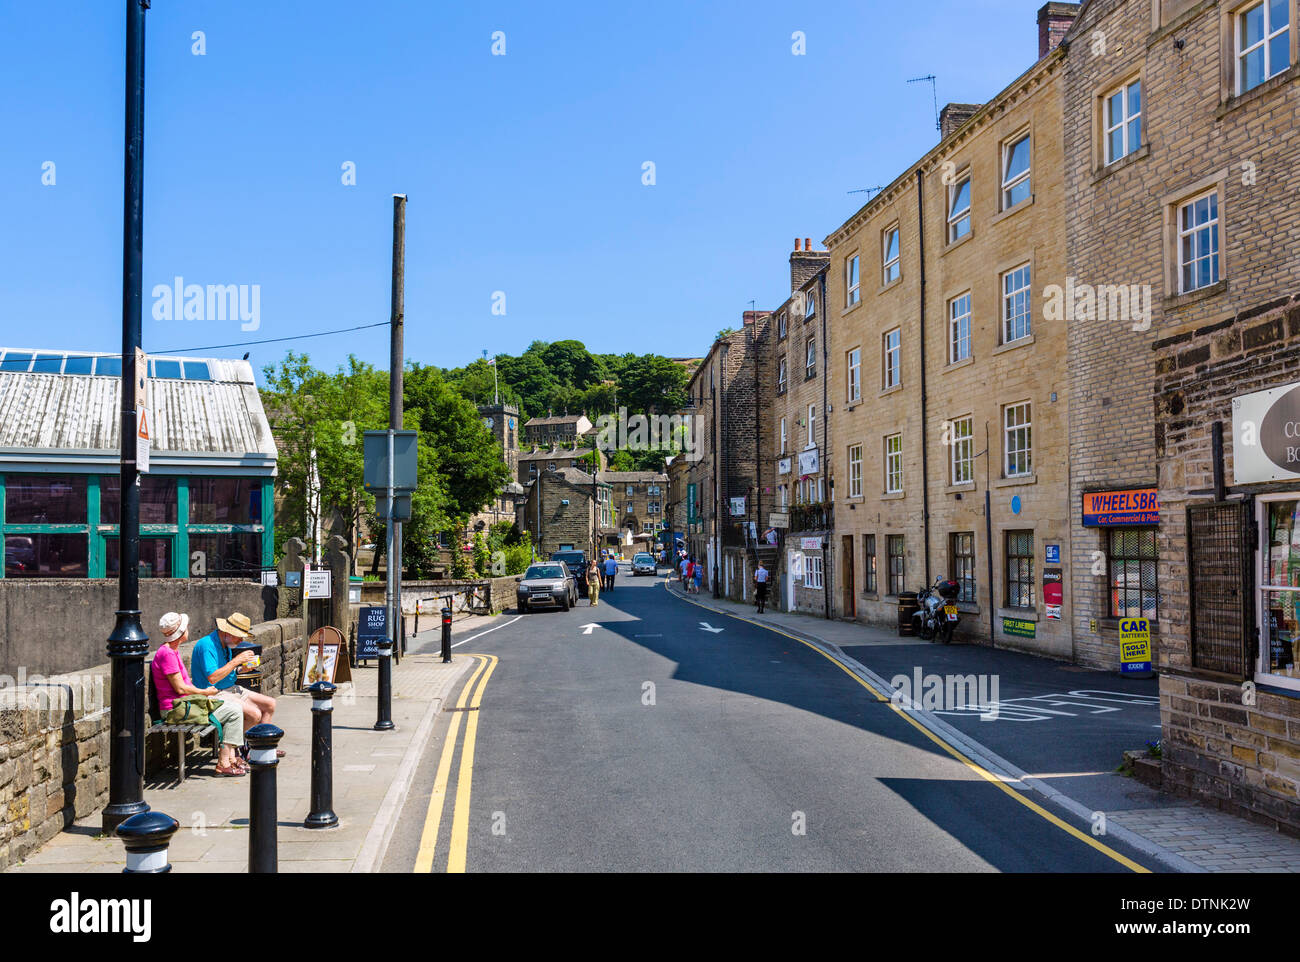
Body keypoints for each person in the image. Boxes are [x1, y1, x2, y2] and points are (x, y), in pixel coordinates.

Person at [153, 612, 246, 776]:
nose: (188, 629)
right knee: (234, 712)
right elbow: (180, 688)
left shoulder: (171, 651)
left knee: (233, 708)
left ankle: (230, 758)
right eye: (186, 627)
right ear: (181, 632)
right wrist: (204, 692)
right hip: (176, 709)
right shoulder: (167, 654)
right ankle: (224, 761)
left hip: (184, 704)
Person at [190, 611, 282, 757]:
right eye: (239, 636)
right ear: (228, 632)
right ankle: (238, 749)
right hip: (213, 692)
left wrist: (242, 669)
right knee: (254, 714)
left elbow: (227, 671)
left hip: (229, 688)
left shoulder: (225, 643)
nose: (241, 640)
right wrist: (236, 661)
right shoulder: (207, 646)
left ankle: (261, 746)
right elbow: (213, 678)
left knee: (270, 704)